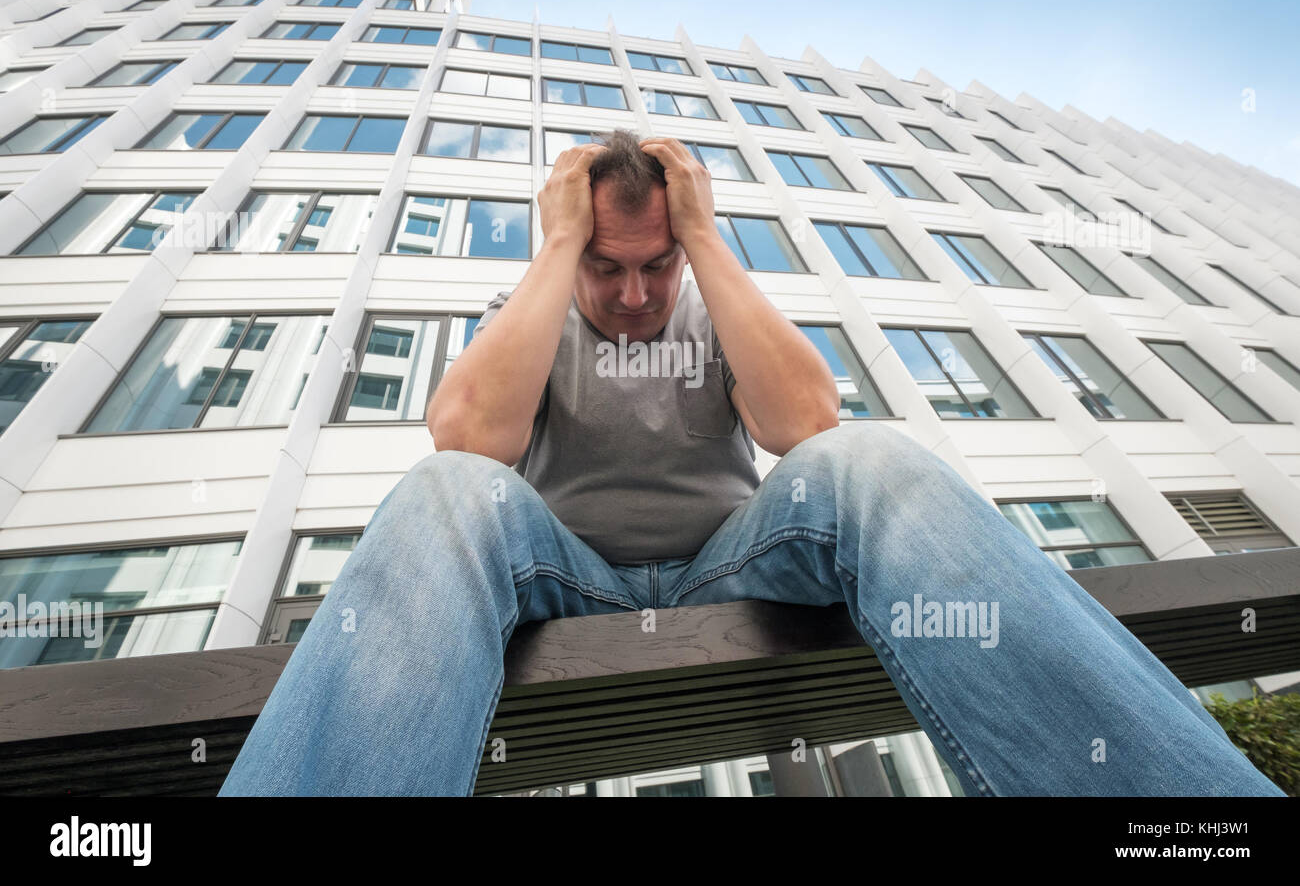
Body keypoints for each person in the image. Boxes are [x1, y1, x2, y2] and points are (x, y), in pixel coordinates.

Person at [219, 129, 1285, 797]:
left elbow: (806, 422)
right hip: (566, 580)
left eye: (655, 263)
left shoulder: (708, 295)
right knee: (443, 491)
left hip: (730, 566)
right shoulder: (532, 311)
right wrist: (551, 257)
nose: (635, 293)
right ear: (568, 247)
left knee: (869, 454)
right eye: (605, 265)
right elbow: (467, 443)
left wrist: (712, 245)